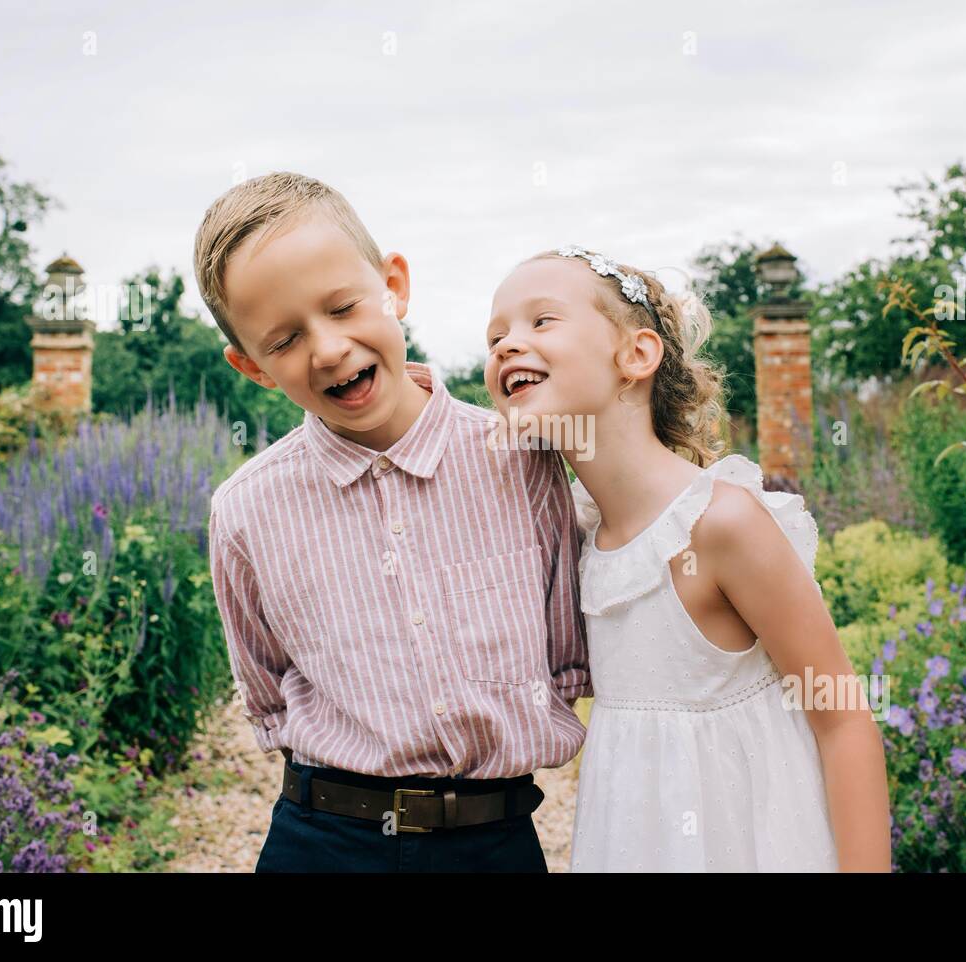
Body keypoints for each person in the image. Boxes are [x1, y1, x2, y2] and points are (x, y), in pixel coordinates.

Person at [194, 174, 591, 872]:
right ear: (251, 367)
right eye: (283, 340)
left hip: (493, 842)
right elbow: (267, 692)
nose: (328, 349)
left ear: (393, 286)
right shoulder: (246, 512)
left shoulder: (521, 462)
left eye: (344, 307)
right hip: (324, 842)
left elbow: (563, 659)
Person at [483, 245, 892, 871]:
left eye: (541, 321)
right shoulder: (576, 535)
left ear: (637, 355)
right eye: (495, 336)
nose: (508, 344)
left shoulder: (718, 524)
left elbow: (843, 721)